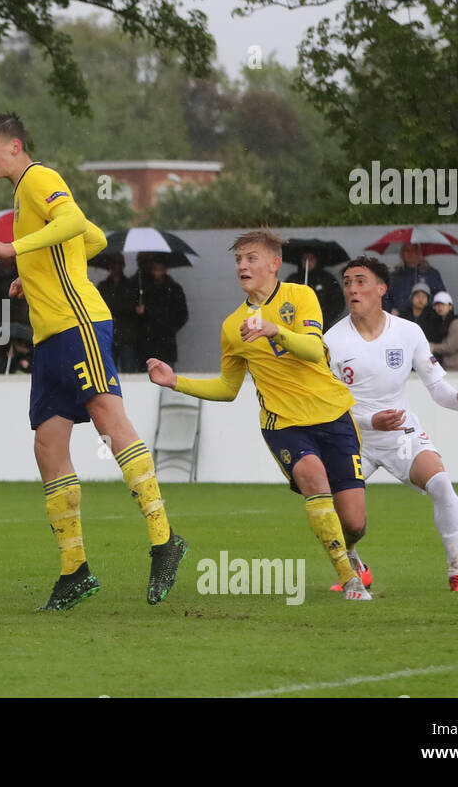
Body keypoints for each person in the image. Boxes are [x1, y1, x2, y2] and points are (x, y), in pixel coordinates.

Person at [0, 113, 188, 610]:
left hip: (78, 324)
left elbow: (71, 222)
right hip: (51, 337)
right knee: (47, 445)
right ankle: (75, 570)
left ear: (14, 146)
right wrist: (35, 270)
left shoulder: (39, 177)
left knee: (106, 416)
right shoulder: (23, 192)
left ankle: (163, 538)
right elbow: (89, 239)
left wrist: (12, 250)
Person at [146, 228, 372, 601]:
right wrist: (175, 382)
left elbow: (314, 351)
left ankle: (349, 549)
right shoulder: (231, 327)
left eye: (251, 258)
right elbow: (228, 389)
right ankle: (349, 579)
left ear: (274, 264)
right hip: (283, 424)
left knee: (354, 521)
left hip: (333, 415)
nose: (242, 266)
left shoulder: (301, 296)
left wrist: (274, 330)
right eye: (238, 260)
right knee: (313, 477)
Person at [325, 256, 458, 592]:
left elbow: (436, 385)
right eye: (348, 282)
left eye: (361, 281)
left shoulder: (409, 333)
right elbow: (329, 407)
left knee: (441, 484)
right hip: (354, 440)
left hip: (400, 436)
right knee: (336, 514)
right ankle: (355, 564)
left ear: (381, 288)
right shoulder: (332, 341)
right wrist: (370, 420)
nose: (352, 288)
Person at [134, 257, 189, 369]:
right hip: (148, 343)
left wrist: (169, 329)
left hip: (166, 342)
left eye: (160, 269)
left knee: (167, 376)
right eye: (155, 269)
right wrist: (140, 313)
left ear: (165, 270)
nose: (157, 273)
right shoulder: (144, 289)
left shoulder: (174, 289)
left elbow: (182, 314)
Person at [96, 256, 139, 373]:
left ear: (123, 266)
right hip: (109, 335)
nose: (116, 267)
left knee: (129, 372)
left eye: (118, 264)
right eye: (113, 264)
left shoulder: (131, 286)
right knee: (108, 373)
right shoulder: (103, 286)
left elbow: (133, 309)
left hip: (126, 336)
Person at [284, 251, 344, 330]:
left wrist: (322, 318)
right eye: (304, 259)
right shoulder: (293, 279)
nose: (307, 262)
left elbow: (338, 303)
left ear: (317, 260)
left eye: (311, 259)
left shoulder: (327, 279)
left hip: (321, 327)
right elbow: (284, 301)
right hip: (295, 327)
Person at [385, 243, 445, 316]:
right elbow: (385, 298)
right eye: (406, 250)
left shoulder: (431, 274)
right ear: (402, 253)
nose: (410, 253)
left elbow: (441, 297)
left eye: (414, 250)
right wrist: (390, 309)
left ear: (420, 253)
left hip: (427, 320)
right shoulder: (395, 276)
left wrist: (425, 303)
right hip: (400, 319)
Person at [430, 292, 458, 370]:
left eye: (443, 304)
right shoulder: (439, 323)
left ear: (450, 306)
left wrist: (433, 347)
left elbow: (450, 347)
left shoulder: (456, 323)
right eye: (437, 304)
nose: (440, 307)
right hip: (448, 369)